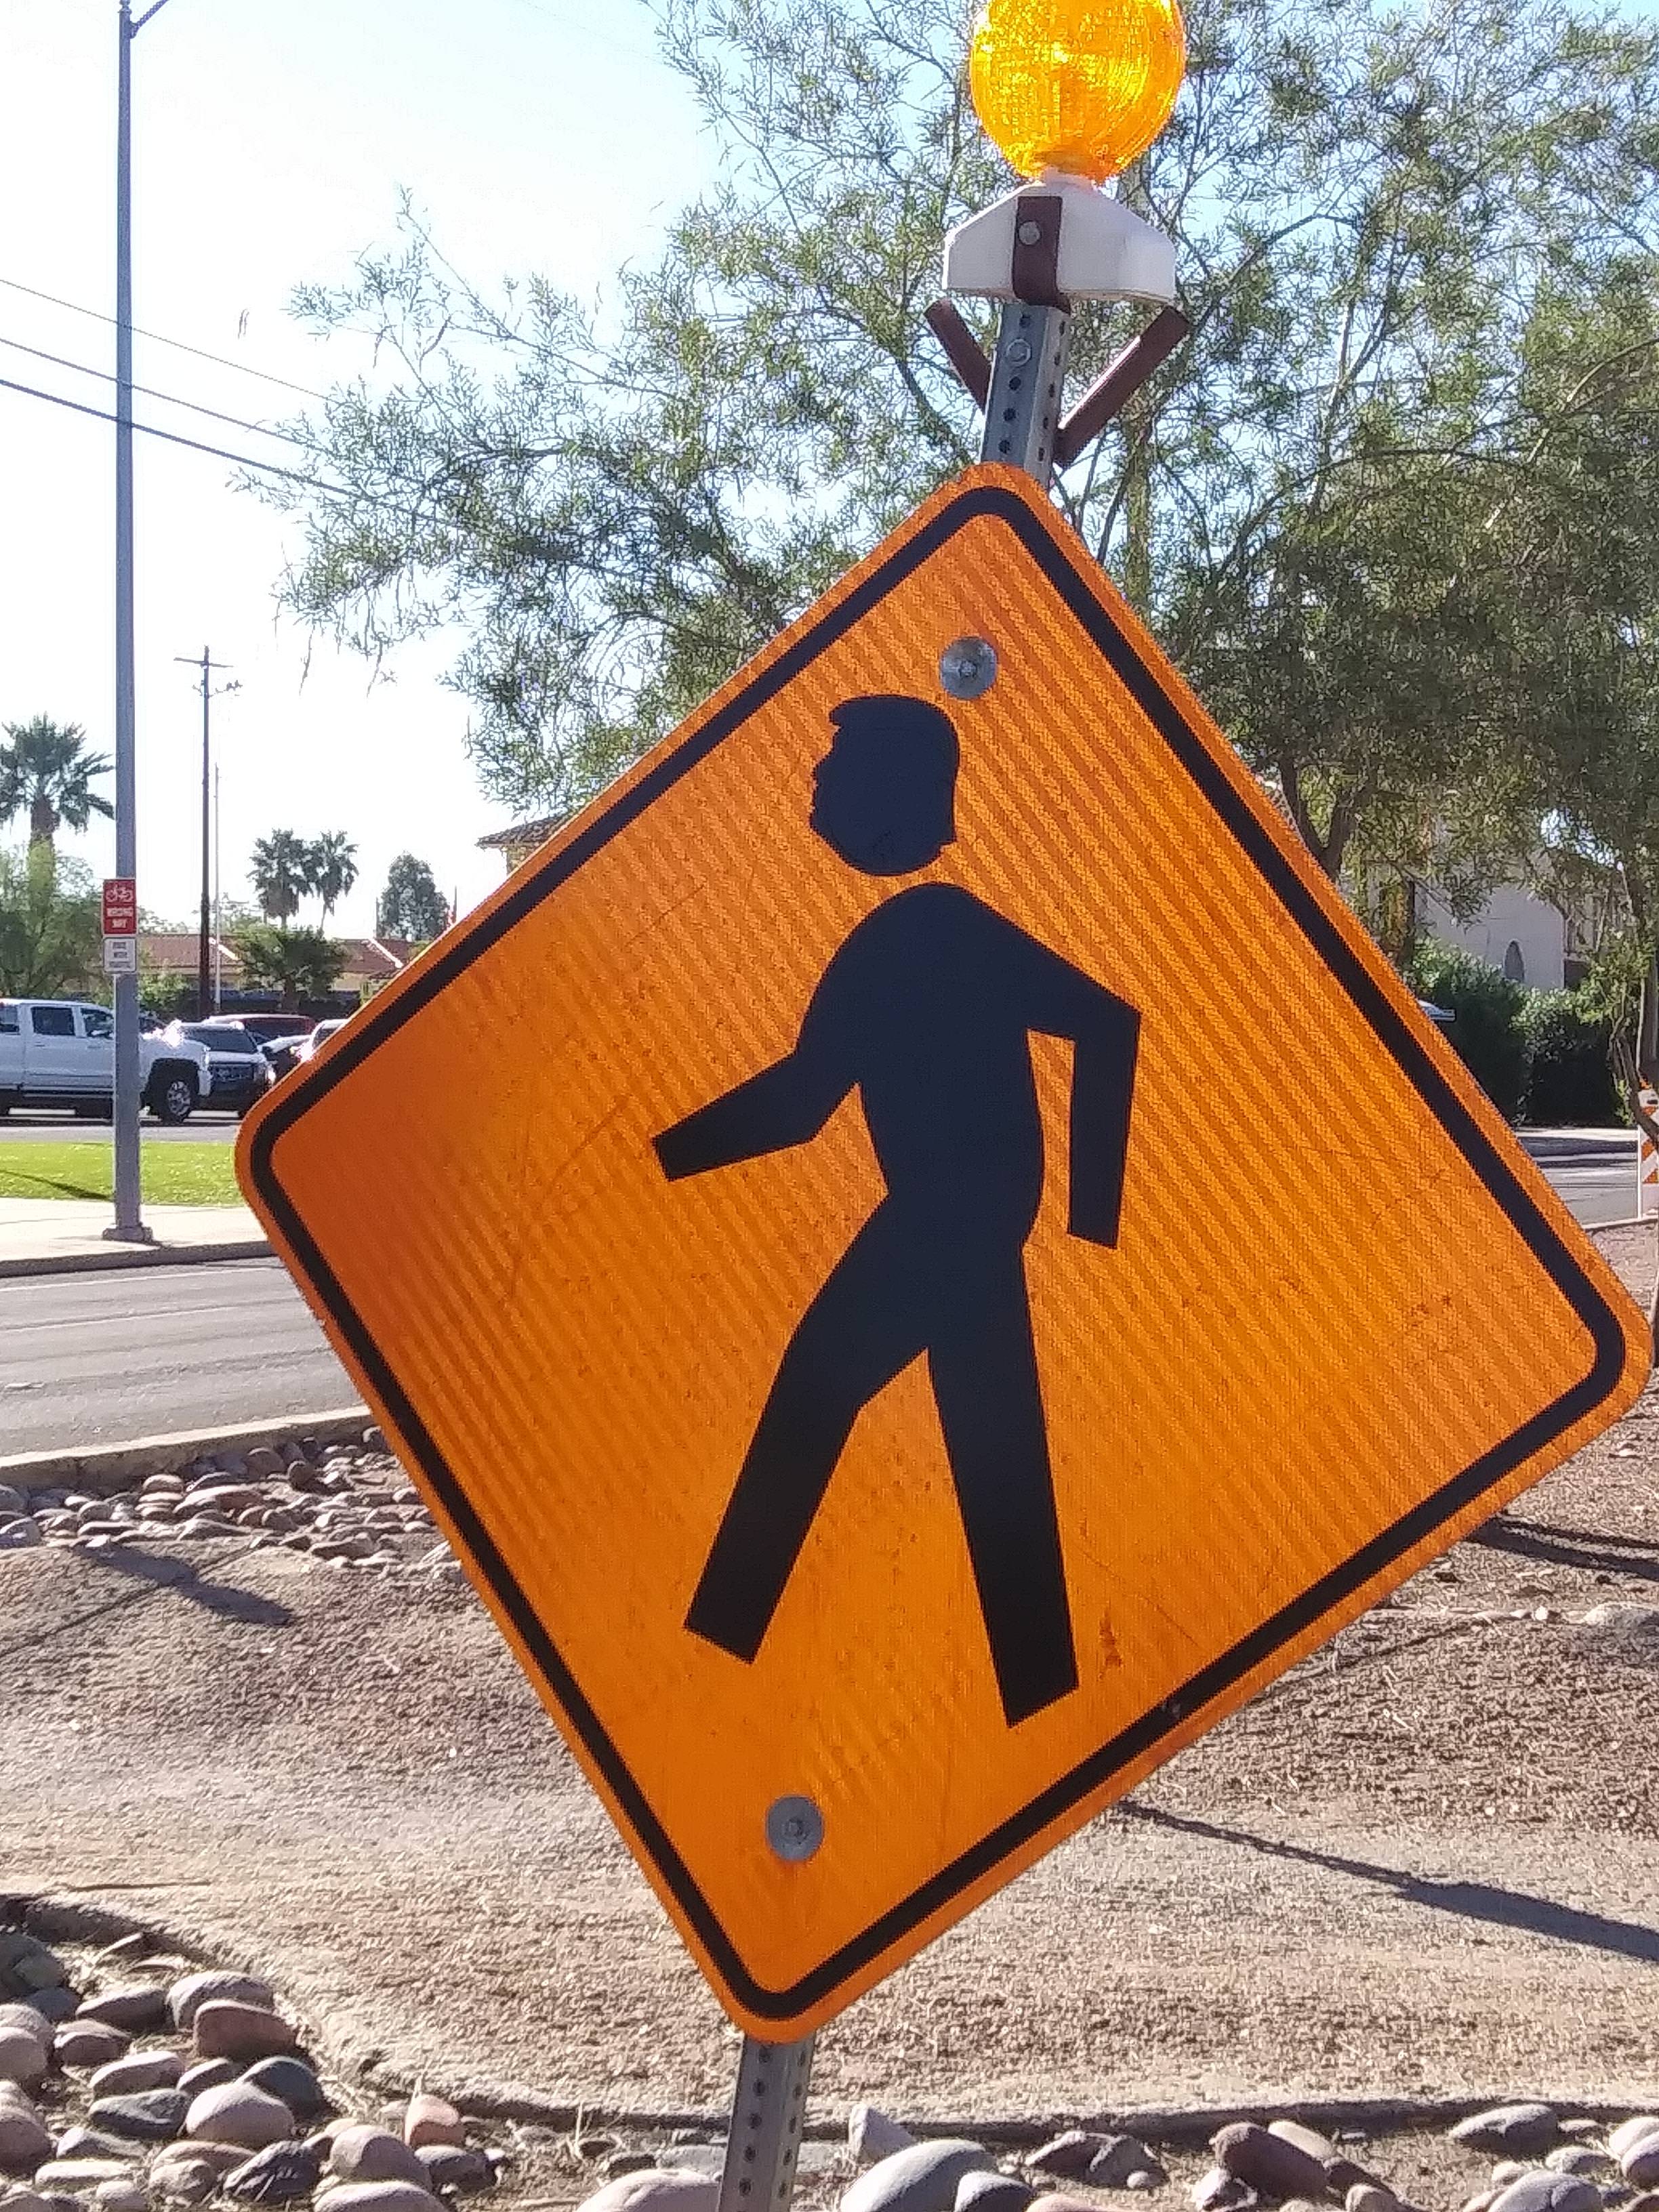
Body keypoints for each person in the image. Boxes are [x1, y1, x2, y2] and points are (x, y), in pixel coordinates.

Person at [654, 693, 1141, 1725]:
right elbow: (802, 1104)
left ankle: (714, 1652)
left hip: (946, 1220)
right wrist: (658, 1158)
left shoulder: (936, 925)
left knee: (812, 1393)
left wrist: (1093, 1222)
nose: (814, 785)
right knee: (995, 1448)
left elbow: (1109, 1023)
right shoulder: (893, 935)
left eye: (834, 770)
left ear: (889, 790)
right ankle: (1044, 1694)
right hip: (964, 1224)